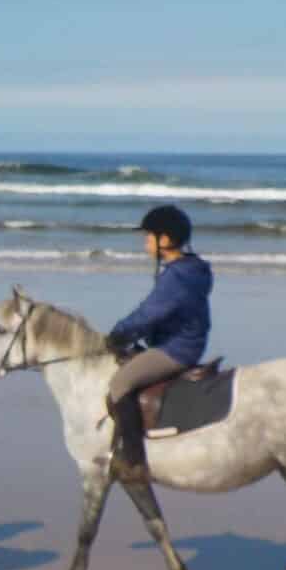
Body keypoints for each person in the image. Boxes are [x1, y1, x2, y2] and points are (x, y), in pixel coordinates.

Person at [103, 205, 212, 484]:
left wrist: (119, 333)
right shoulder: (192, 267)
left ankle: (134, 461)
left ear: (165, 240)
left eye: (148, 237)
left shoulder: (175, 277)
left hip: (176, 349)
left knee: (119, 385)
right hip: (183, 341)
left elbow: (150, 312)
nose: (145, 242)